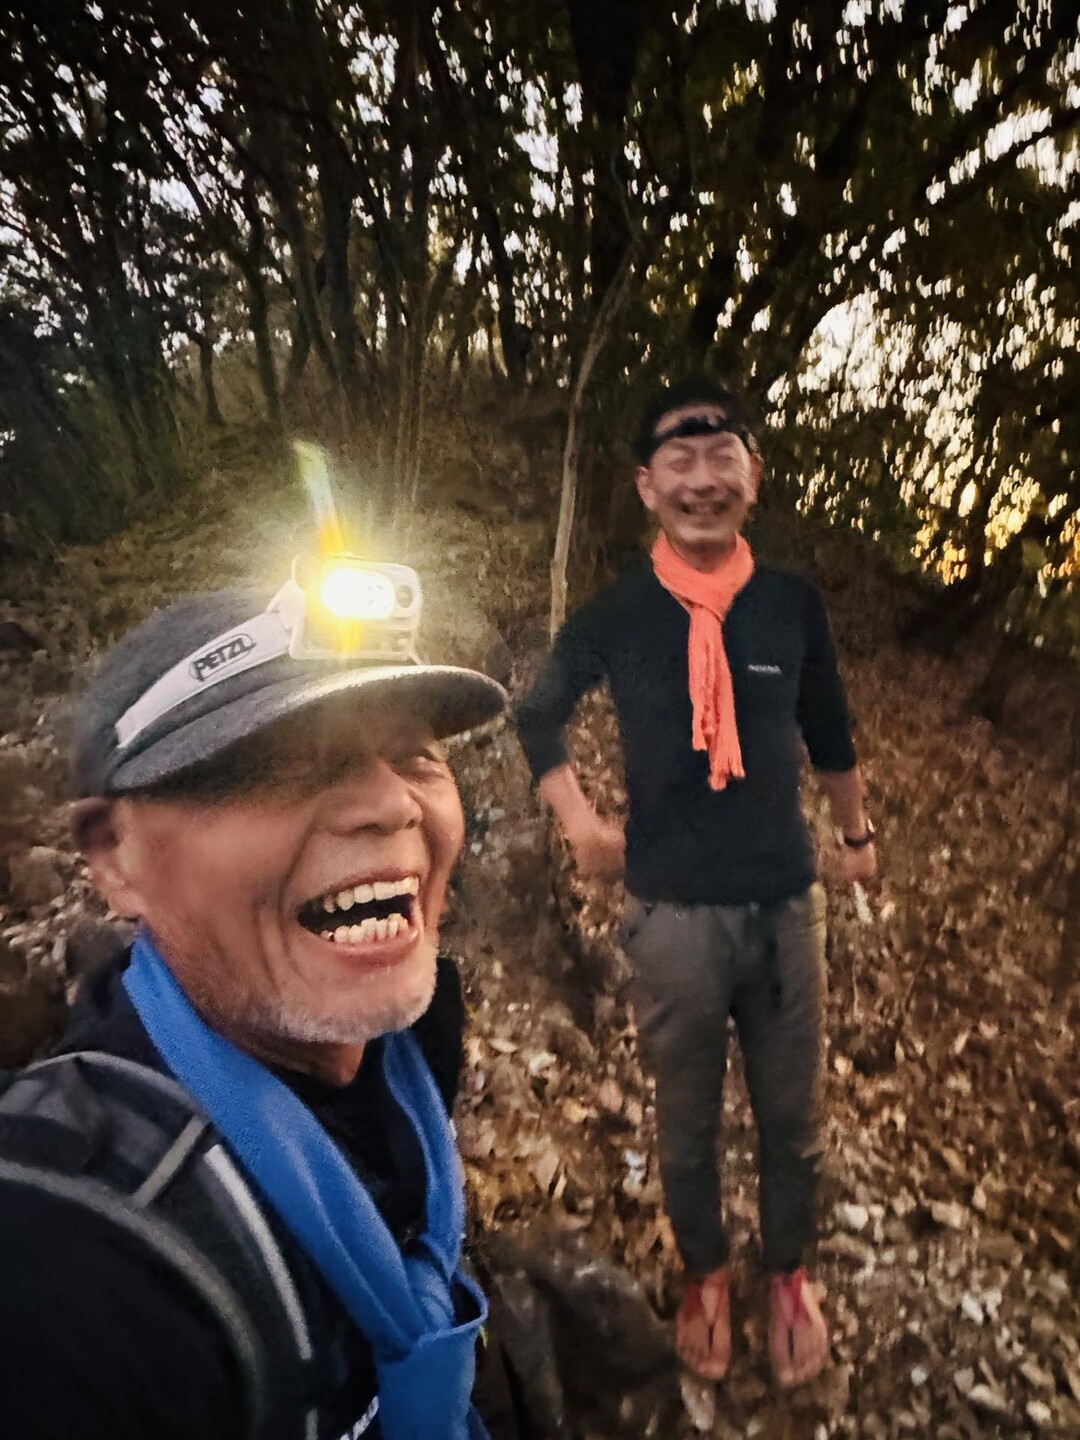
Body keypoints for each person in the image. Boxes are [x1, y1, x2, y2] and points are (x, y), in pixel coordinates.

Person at [0, 552, 508, 1440]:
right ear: (114, 853)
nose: (392, 803)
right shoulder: (61, 1259)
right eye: (280, 764)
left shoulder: (413, 1042)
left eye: (414, 755)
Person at [516, 379, 878, 1388]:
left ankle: (789, 1277)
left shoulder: (791, 604)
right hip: (670, 914)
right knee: (686, 1119)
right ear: (646, 486)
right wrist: (581, 822)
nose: (703, 481)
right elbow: (535, 715)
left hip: (785, 906)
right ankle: (710, 1275)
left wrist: (857, 833)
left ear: (751, 480)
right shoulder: (619, 614)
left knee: (791, 1119)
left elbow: (831, 730)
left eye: (723, 460)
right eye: (680, 462)